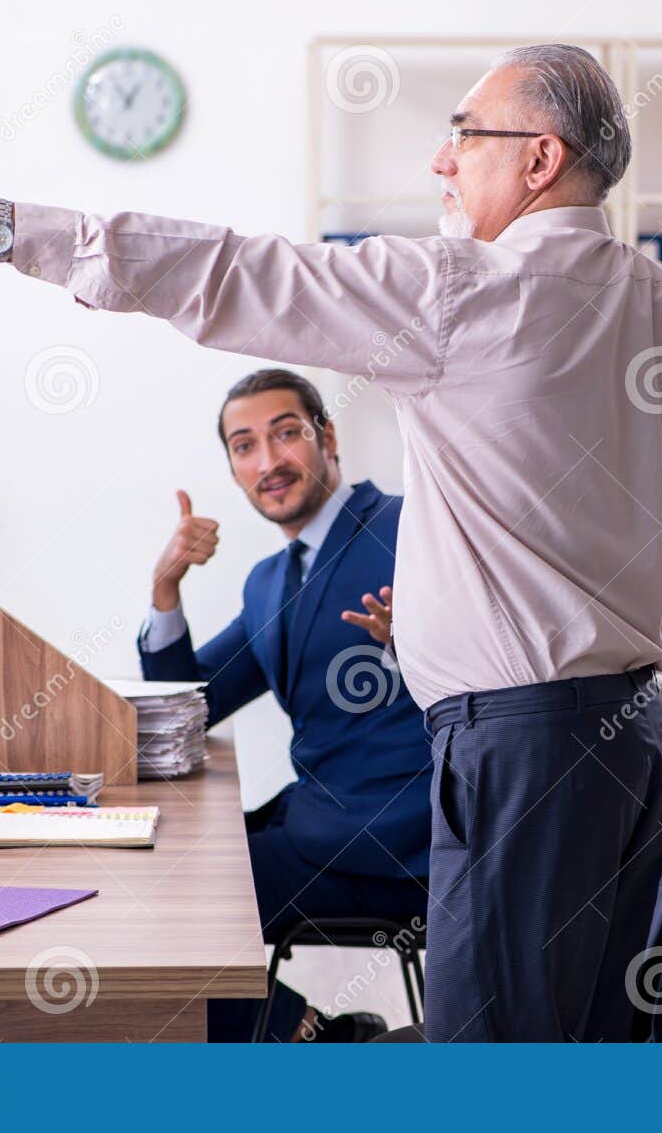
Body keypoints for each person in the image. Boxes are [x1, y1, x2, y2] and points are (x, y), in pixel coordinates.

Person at [0, 42, 662, 1041]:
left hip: (518, 754)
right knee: (591, 1045)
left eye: (464, 137)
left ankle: (335, 1050)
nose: (441, 161)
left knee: (497, 1056)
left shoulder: (459, 289)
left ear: (540, 159)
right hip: (630, 741)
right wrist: (621, 469)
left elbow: (230, 272)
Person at [140, 368, 429, 1043]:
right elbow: (190, 707)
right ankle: (311, 1031)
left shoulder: (408, 528)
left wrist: (419, 644)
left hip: (400, 848)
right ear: (234, 471)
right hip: (319, 826)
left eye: (286, 433)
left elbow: (495, 668)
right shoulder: (268, 582)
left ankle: (302, 1038)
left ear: (328, 437)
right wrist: (164, 590)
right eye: (245, 446)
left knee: (170, 897)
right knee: (161, 869)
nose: (268, 461)